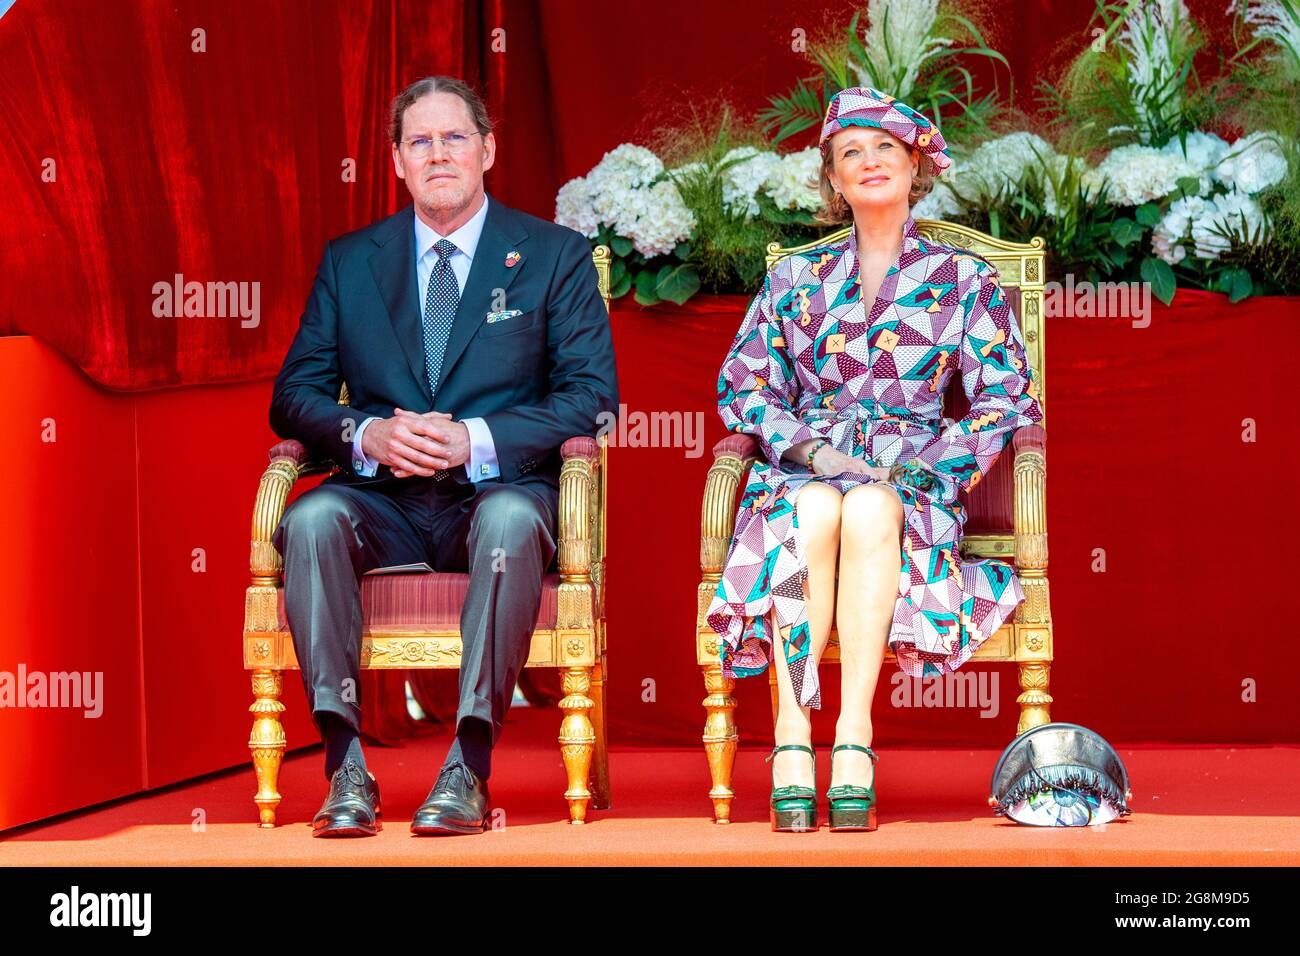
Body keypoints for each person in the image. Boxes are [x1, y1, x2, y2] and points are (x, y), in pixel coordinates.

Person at [269, 75, 618, 837]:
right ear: (396, 160)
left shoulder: (554, 256)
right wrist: (368, 433)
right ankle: (346, 765)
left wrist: (474, 439)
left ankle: (468, 763)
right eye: (419, 141)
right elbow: (293, 395)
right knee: (311, 517)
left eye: (453, 138)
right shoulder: (351, 261)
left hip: (499, 493)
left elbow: (593, 398)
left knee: (508, 524)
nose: (438, 154)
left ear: (486, 149)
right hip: (381, 502)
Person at [705, 87, 1044, 832]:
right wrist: (816, 451)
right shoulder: (794, 277)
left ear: (915, 162)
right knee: (814, 503)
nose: (868, 162)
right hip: (808, 463)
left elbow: (1005, 400)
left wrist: (921, 469)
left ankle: (853, 735)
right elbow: (745, 384)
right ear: (832, 177)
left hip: (911, 476)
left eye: (884, 148)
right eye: (850, 152)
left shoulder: (964, 278)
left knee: (866, 508)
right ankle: (794, 738)